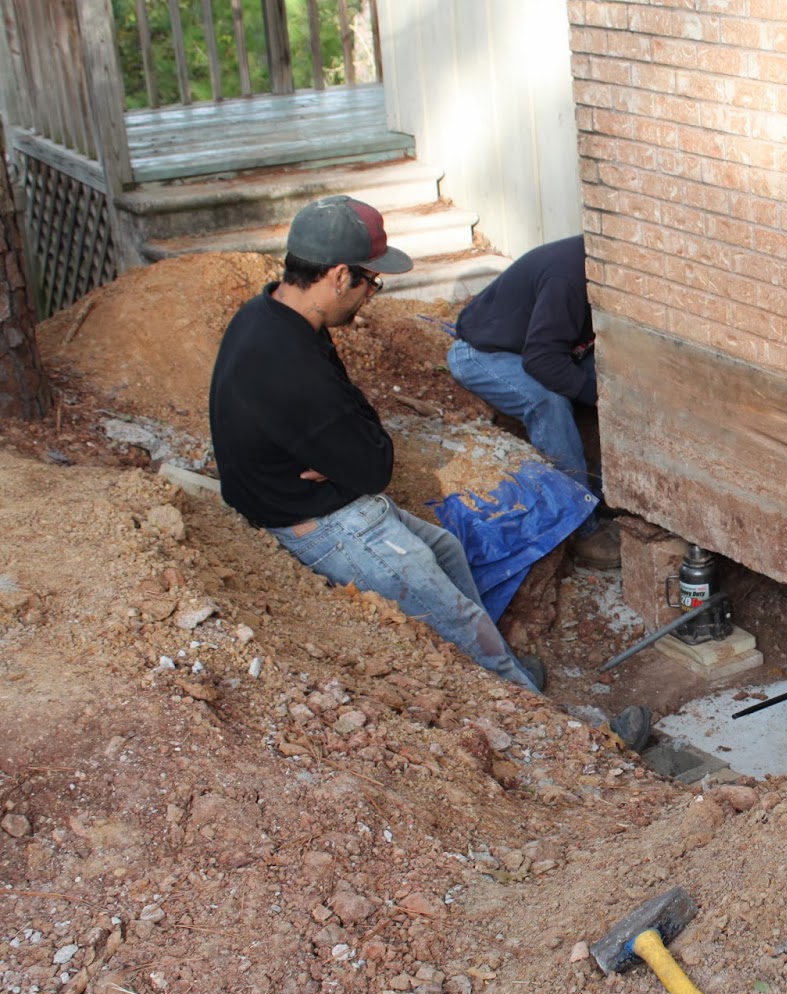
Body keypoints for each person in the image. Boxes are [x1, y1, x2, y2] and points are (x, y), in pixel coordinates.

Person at [208, 195, 544, 692]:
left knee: (448, 550)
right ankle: (538, 712)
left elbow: (359, 426)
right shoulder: (292, 367)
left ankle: (501, 664)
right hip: (326, 524)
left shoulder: (270, 313)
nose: (371, 293)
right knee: (457, 620)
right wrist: (354, 451)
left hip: (320, 498)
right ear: (341, 276)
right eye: (372, 281)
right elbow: (375, 465)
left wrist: (347, 450)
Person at [446, 235, 620, 568]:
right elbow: (542, 361)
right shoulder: (569, 278)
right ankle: (583, 528)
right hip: (484, 352)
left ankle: (605, 490)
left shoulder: (608, 262)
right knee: (549, 400)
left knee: (606, 378)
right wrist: (600, 398)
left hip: (536, 345)